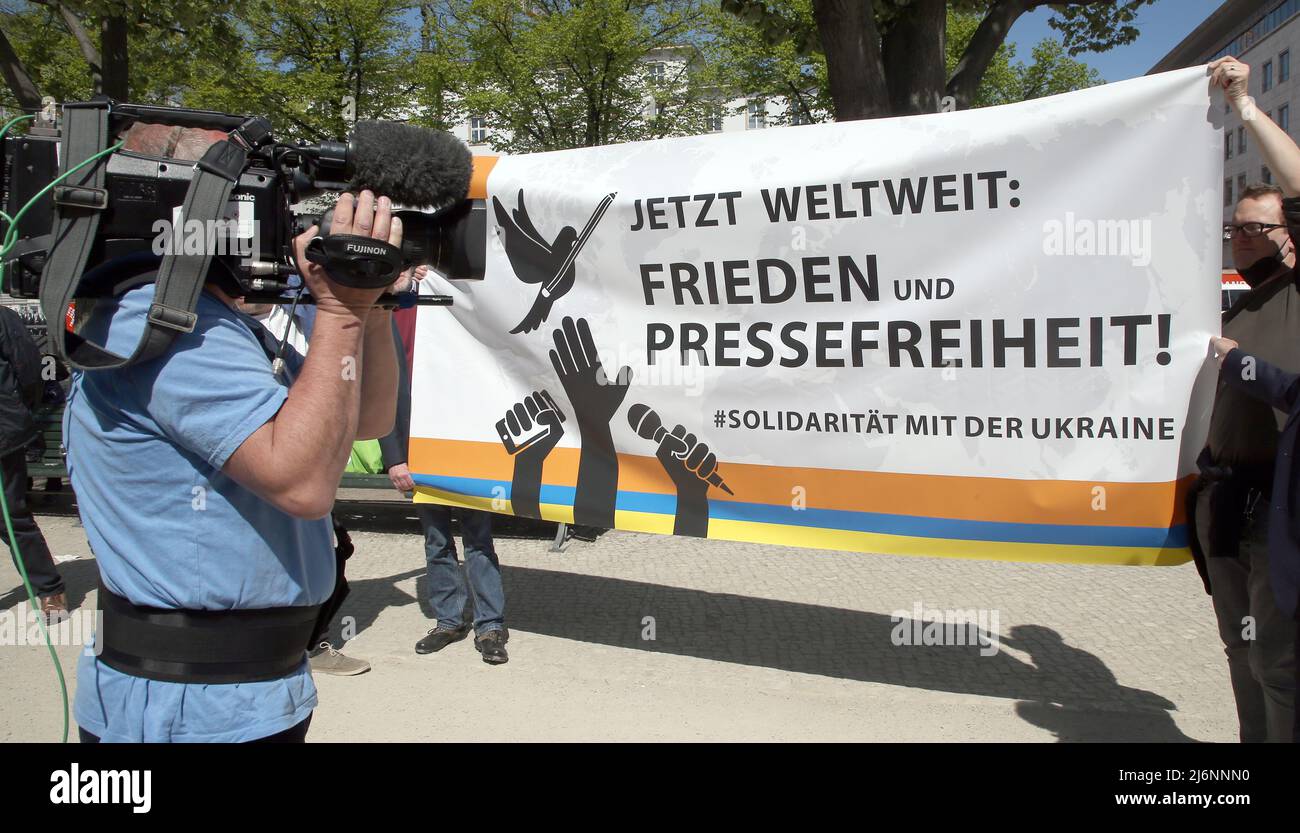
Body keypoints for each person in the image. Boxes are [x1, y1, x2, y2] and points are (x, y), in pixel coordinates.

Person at [68, 122, 400, 742]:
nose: (282, 226)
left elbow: (366, 421)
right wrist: (340, 310)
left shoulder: (214, 322)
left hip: (243, 691)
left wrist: (371, 304)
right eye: (267, 202)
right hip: (188, 704)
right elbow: (301, 484)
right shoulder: (172, 326)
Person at [1197, 55, 1300, 741]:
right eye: (1234, 226)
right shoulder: (1230, 303)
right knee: (1241, 649)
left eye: (1257, 227)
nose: (1241, 235)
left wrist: (1246, 106)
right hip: (1224, 500)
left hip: (1281, 506)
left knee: (1280, 661)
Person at [236, 295, 370, 677]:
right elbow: (302, 490)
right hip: (265, 474)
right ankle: (304, 640)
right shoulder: (210, 335)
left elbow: (368, 414)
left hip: (306, 465)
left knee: (333, 550)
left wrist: (364, 309)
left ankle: (312, 639)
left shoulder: (291, 322)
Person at [378, 275, 509, 665]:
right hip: (418, 450)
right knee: (436, 542)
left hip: (466, 448)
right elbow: (385, 390)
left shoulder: (461, 305)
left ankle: (490, 626)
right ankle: (448, 621)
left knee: (478, 540)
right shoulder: (391, 316)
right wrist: (394, 456)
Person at [1209, 333, 1300, 742]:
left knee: (1278, 667)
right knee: (1244, 646)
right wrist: (1236, 362)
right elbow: (1289, 389)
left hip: (1278, 522)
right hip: (1233, 500)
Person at [0, 304, 65, 622]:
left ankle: (49, 589)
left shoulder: (2, 318)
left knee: (11, 517)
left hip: (1, 434)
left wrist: (15, 414)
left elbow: (29, 372)